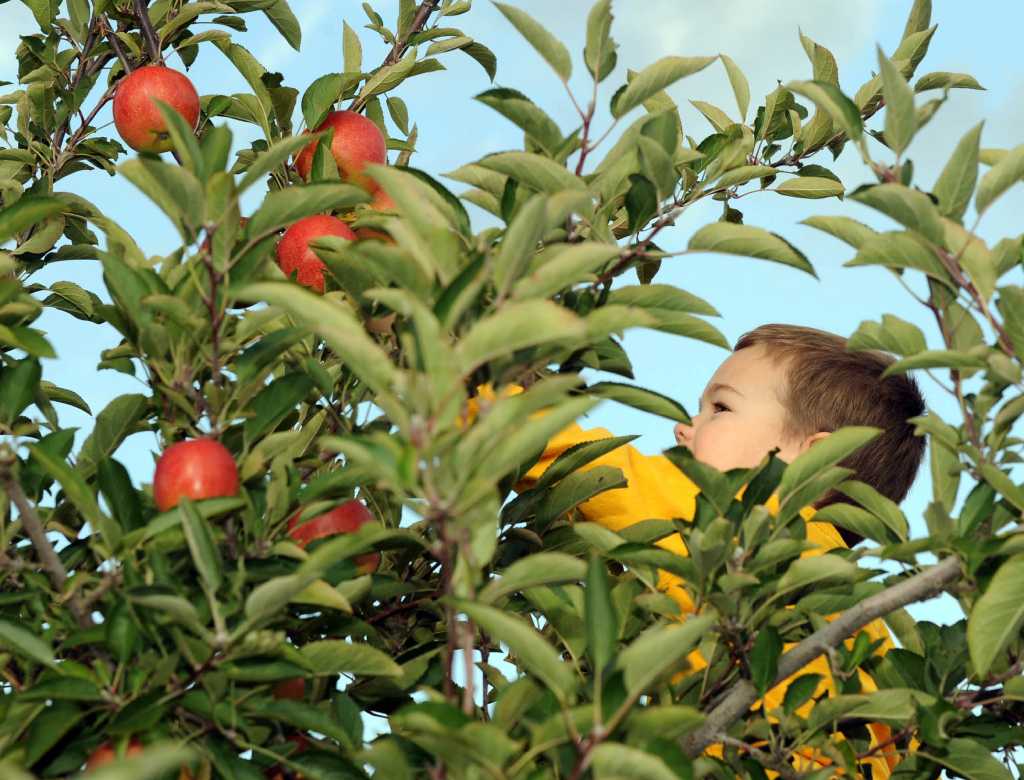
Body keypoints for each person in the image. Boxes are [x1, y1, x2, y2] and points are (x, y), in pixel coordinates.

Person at [518, 323, 927, 777]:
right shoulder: (867, 626)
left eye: (720, 407)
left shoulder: (715, 517)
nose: (682, 430)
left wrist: (473, 388)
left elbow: (564, 456)